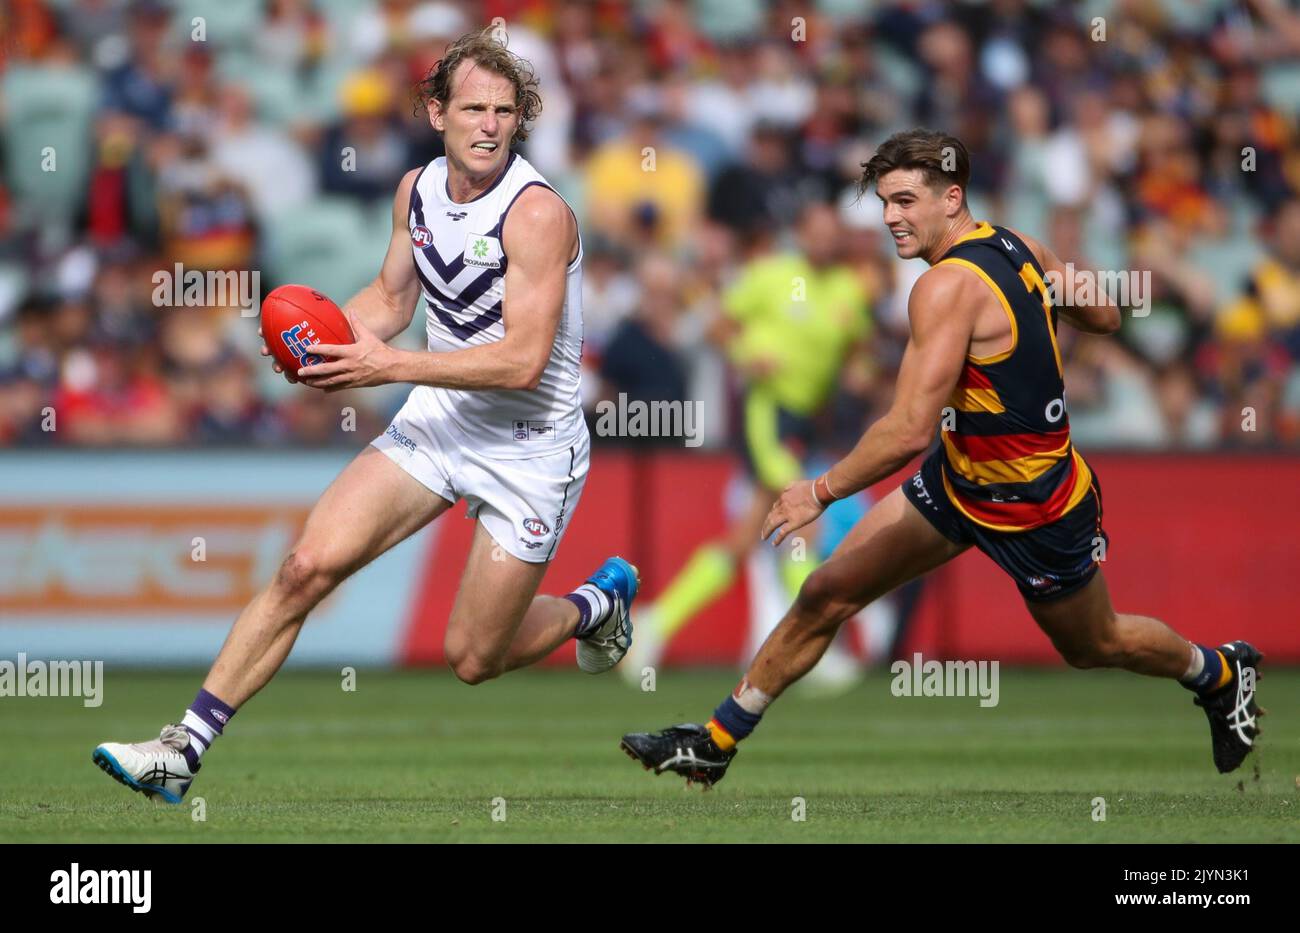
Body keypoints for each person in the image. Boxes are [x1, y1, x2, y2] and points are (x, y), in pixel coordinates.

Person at [92, 27, 638, 804]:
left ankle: (595, 604)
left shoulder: (537, 213)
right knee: (304, 567)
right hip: (442, 417)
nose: (489, 125)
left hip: (530, 445)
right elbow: (390, 299)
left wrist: (389, 365)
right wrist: (320, 343)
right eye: (474, 108)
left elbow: (521, 360)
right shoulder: (414, 191)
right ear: (435, 111)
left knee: (474, 656)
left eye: (506, 111)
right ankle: (181, 749)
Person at [621, 128, 1261, 786]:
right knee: (825, 591)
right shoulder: (1016, 245)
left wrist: (819, 491)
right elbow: (1103, 316)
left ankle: (1216, 670)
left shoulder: (943, 287)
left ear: (951, 197)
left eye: (905, 201)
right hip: (959, 483)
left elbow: (904, 430)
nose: (892, 217)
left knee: (1095, 643)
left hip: (1034, 503)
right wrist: (1036, 305)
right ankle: (717, 739)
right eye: (885, 204)